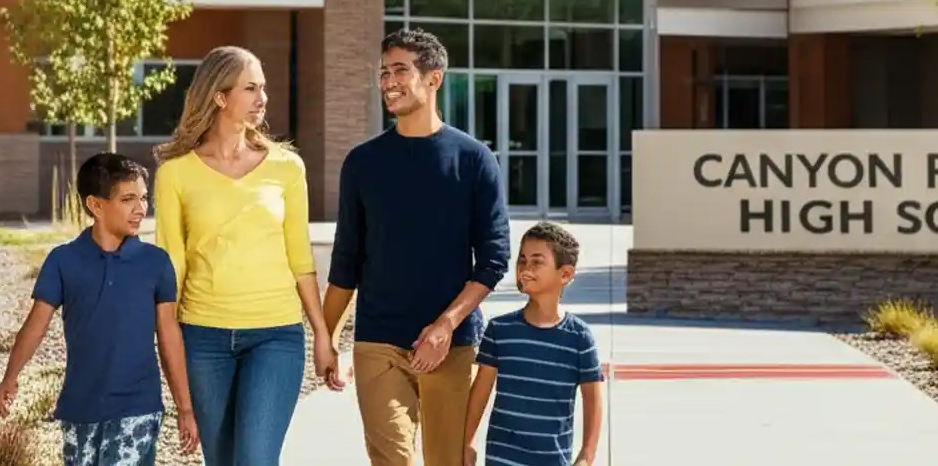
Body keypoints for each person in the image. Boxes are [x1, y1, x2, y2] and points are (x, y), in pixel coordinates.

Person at [322, 27, 511, 466]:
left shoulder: (473, 159)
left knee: (445, 460)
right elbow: (346, 262)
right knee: (393, 460)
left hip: (452, 344)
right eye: (384, 72)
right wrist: (324, 337)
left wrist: (445, 325)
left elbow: (493, 259)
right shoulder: (363, 163)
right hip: (378, 342)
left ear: (434, 78)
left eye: (400, 70)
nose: (388, 81)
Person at [152, 45, 336, 466]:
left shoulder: (287, 168)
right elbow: (171, 267)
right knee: (221, 461)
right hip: (203, 337)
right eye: (251, 88)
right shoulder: (176, 172)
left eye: (263, 88)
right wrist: (168, 347)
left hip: (275, 335)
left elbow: (301, 260)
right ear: (220, 97)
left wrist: (323, 336)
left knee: (254, 459)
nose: (262, 98)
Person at [0, 152, 199, 466]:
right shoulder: (63, 261)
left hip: (137, 408)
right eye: (128, 199)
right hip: (79, 409)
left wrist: (185, 408)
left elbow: (169, 335)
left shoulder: (155, 263)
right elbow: (36, 324)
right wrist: (10, 377)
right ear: (96, 205)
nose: (141, 208)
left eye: (143, 198)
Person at [463, 222, 604, 466]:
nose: (526, 268)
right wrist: (467, 443)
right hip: (501, 458)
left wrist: (586, 456)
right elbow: (480, 393)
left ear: (565, 274)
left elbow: (593, 400)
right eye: (522, 260)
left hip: (552, 459)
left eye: (537, 261)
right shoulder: (500, 330)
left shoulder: (580, 338)